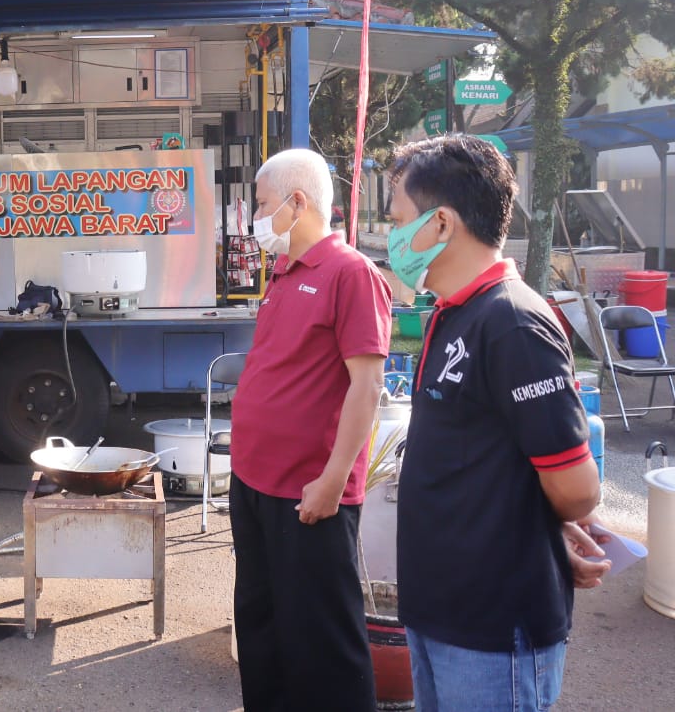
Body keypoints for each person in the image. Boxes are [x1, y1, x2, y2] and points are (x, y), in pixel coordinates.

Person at [387, 135, 605, 712]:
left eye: (398, 221)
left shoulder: (512, 323)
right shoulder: (454, 312)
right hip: (439, 609)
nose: (391, 237)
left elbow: (577, 490)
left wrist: (544, 527)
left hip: (492, 628)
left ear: (441, 224)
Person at [229, 148, 390, 711]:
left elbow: (366, 386)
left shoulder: (350, 274)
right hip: (254, 482)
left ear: (297, 203)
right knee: (262, 627)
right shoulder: (283, 271)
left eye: (262, 204)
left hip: (308, 493)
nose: (257, 216)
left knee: (321, 640)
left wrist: (333, 480)